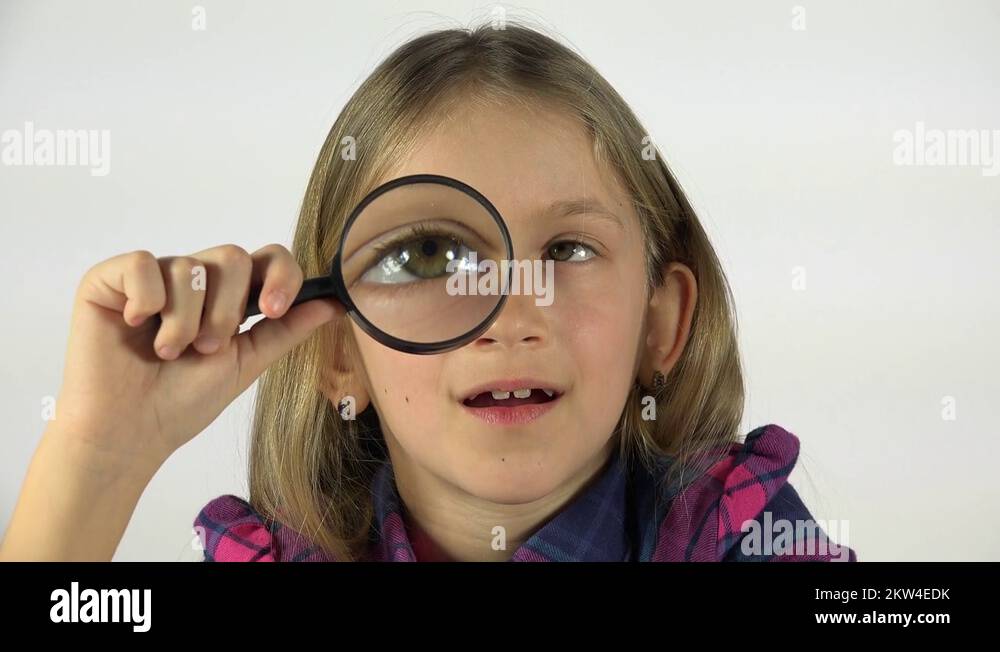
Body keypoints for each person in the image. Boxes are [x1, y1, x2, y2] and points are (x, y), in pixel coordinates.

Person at [0, 22, 856, 562]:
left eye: (566, 247)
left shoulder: (736, 533)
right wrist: (98, 459)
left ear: (659, 323)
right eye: (427, 256)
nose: (514, 310)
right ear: (337, 347)